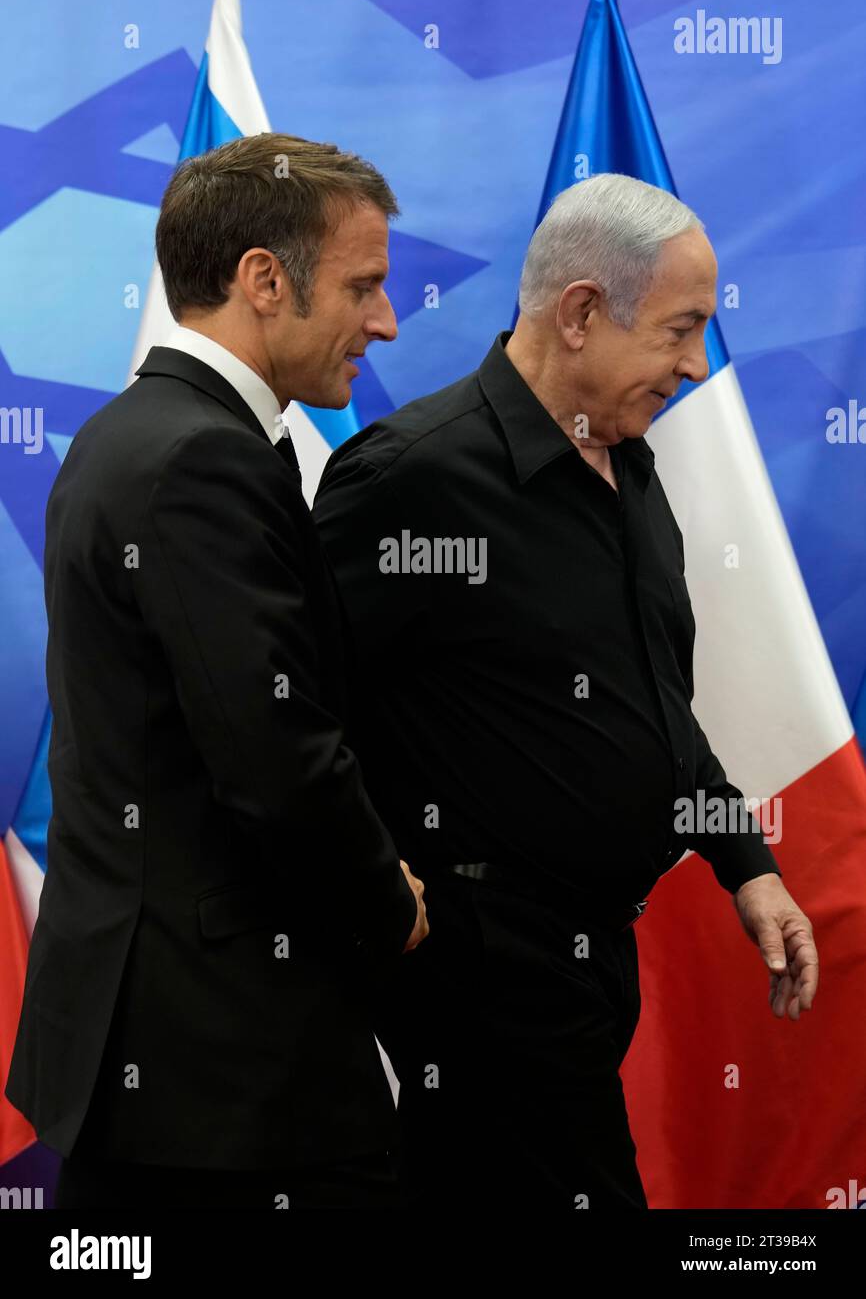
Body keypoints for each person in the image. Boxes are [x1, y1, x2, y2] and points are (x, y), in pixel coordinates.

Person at [312, 173, 819, 1210]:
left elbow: (654, 714)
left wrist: (742, 863)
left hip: (590, 965)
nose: (692, 363)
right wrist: (378, 892)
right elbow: (294, 716)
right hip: (478, 976)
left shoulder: (625, 462)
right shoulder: (411, 478)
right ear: (581, 312)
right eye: (678, 330)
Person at [5, 133, 428, 1210]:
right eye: (364, 286)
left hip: (160, 1051)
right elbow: (274, 754)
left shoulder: (122, 435)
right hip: (223, 1075)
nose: (383, 323)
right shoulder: (203, 458)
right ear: (261, 280)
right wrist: (387, 894)